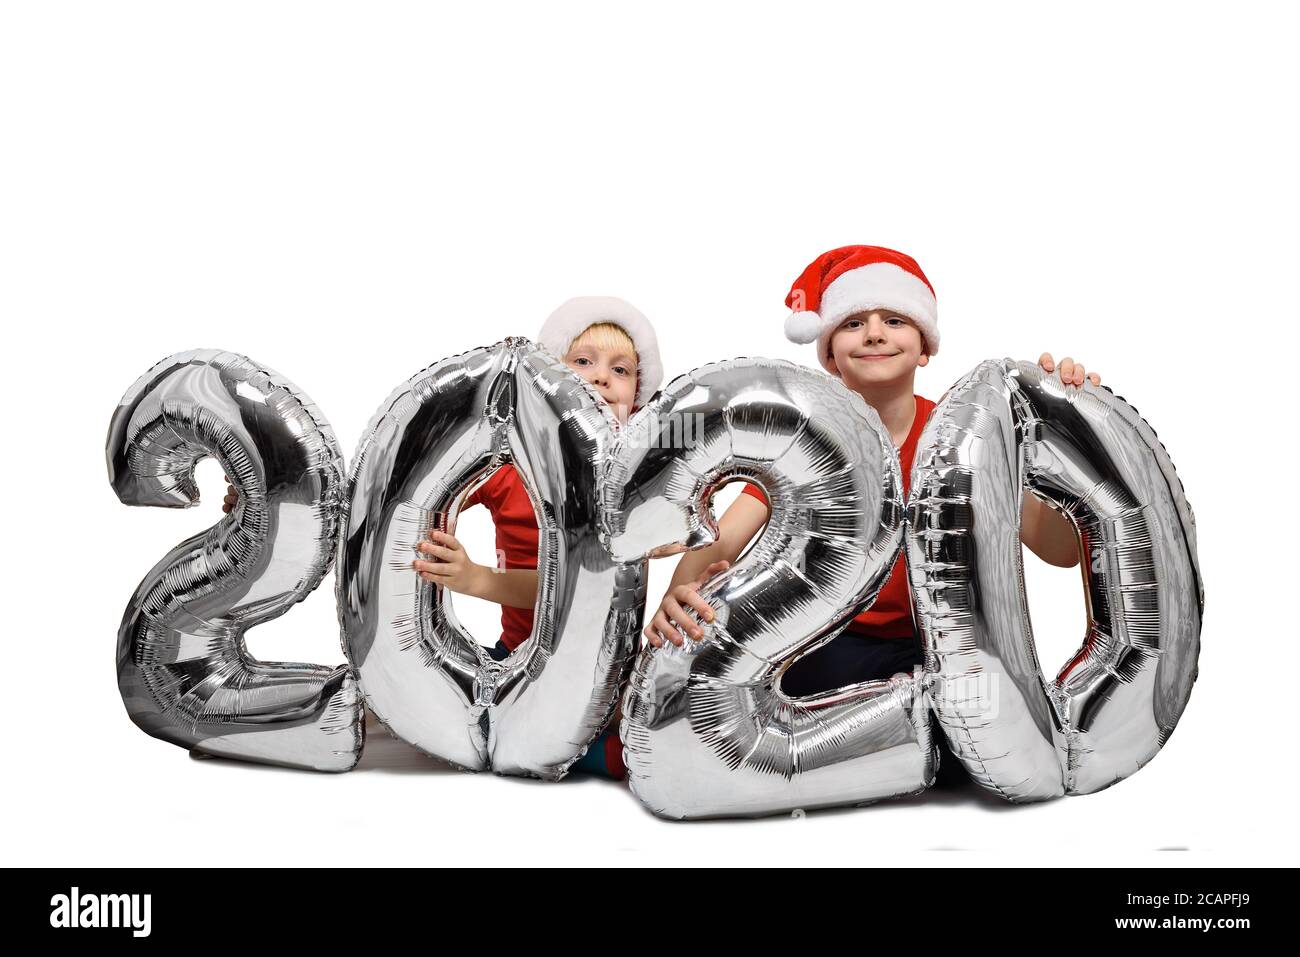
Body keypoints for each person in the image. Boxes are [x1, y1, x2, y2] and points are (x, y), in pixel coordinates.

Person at [641, 244, 1100, 787]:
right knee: (823, 701)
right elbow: (723, 538)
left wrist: (1070, 408)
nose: (875, 333)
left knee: (984, 716)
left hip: (938, 643)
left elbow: (1061, 550)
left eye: (895, 320)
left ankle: (911, 751)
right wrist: (684, 589)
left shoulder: (962, 440)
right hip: (833, 643)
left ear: (925, 347)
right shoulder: (812, 443)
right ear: (830, 354)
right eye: (854, 322)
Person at [411, 296, 664, 779]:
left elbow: (583, 591)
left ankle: (611, 752)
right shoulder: (510, 470)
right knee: (449, 718)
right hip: (521, 659)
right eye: (583, 362)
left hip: (605, 665)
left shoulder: (637, 482)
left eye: (621, 370)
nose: (601, 377)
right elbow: (426, 497)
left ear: (638, 396)